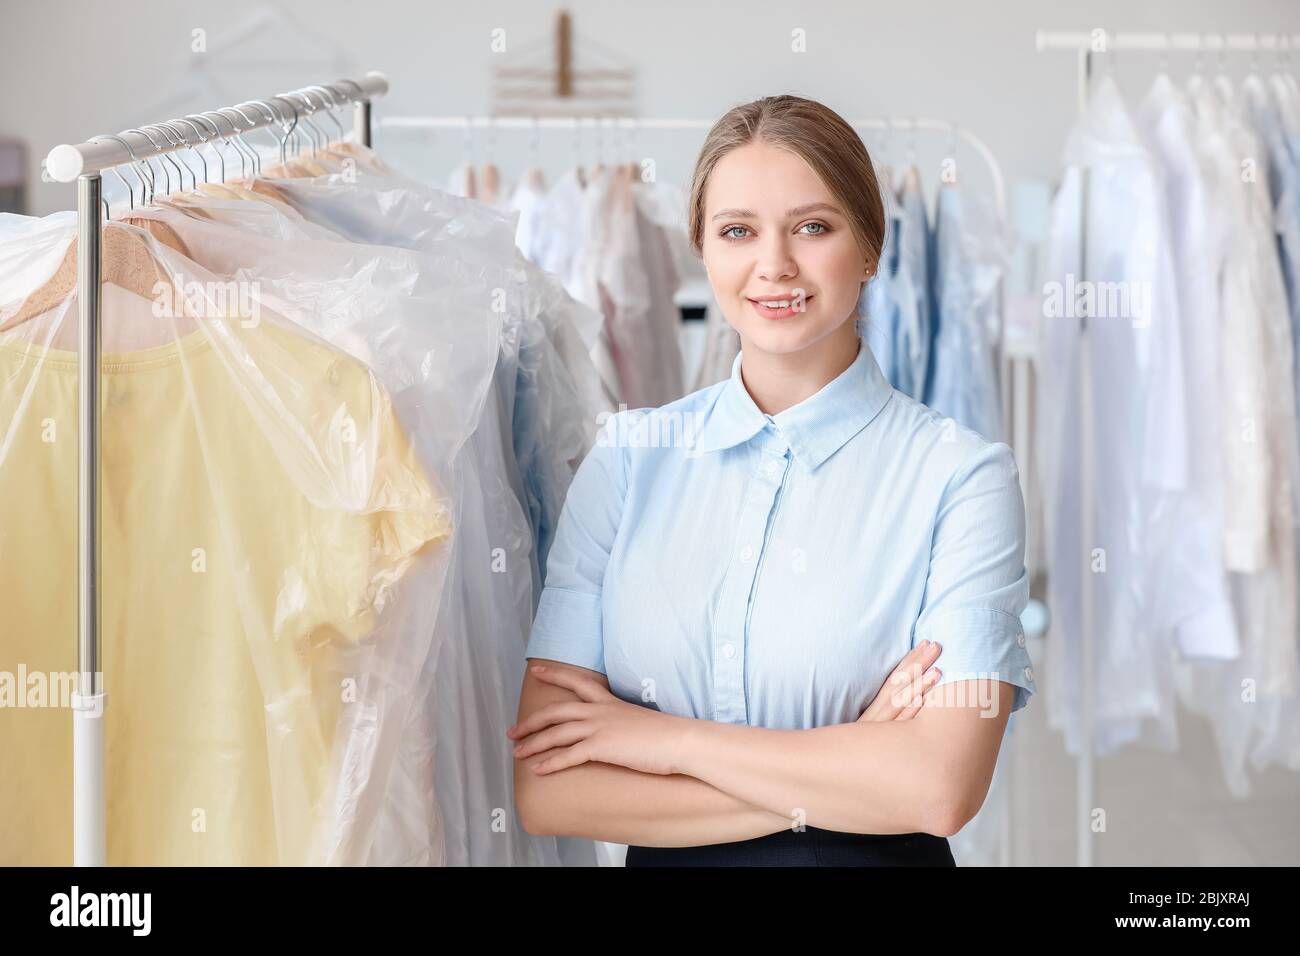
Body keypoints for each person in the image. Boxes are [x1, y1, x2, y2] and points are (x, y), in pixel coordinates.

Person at [509, 94, 1035, 866]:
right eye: (738, 231)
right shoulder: (627, 459)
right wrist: (855, 758)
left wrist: (661, 742)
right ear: (703, 248)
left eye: (813, 227)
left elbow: (938, 789)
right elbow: (553, 791)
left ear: (870, 247)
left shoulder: (960, 478)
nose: (775, 264)